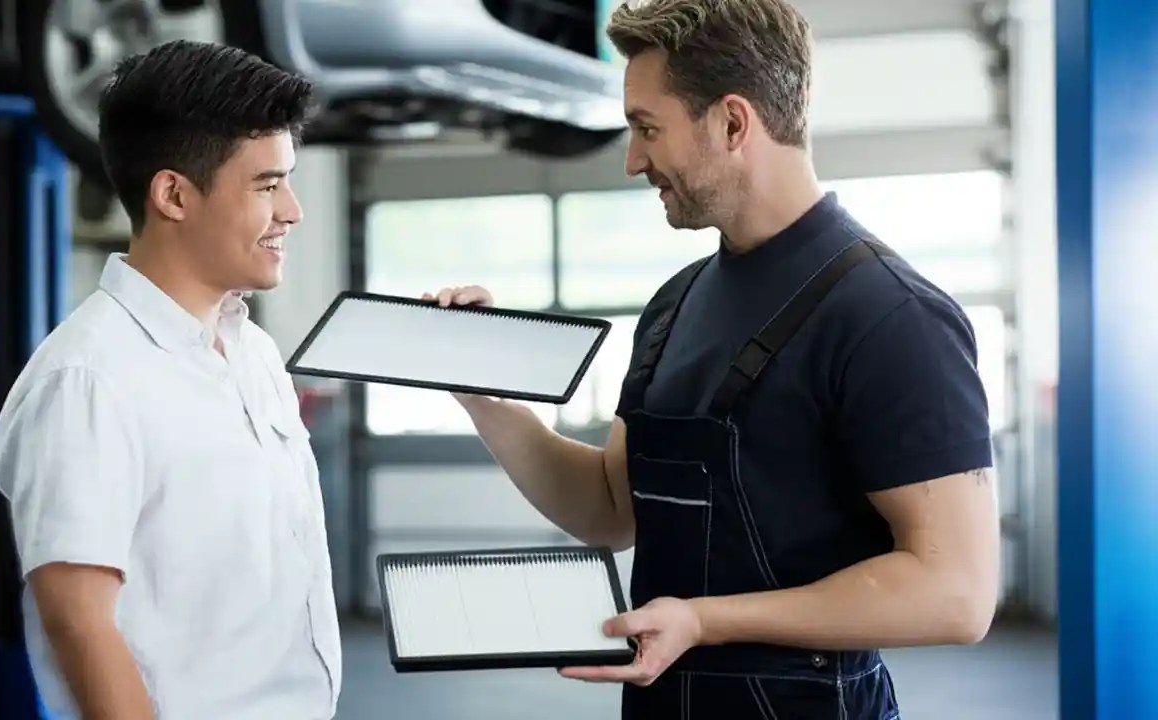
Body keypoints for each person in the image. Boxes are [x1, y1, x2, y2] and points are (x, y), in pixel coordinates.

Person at [425, 0, 999, 717]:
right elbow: (610, 507)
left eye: (647, 129)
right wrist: (486, 398)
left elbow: (957, 594)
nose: (634, 160)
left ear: (732, 122)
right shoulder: (675, 305)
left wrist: (707, 621)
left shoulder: (891, 316)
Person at [0, 40, 340, 719]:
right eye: (267, 185)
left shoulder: (256, 355)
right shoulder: (88, 380)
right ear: (173, 195)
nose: (292, 210)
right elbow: (79, 622)